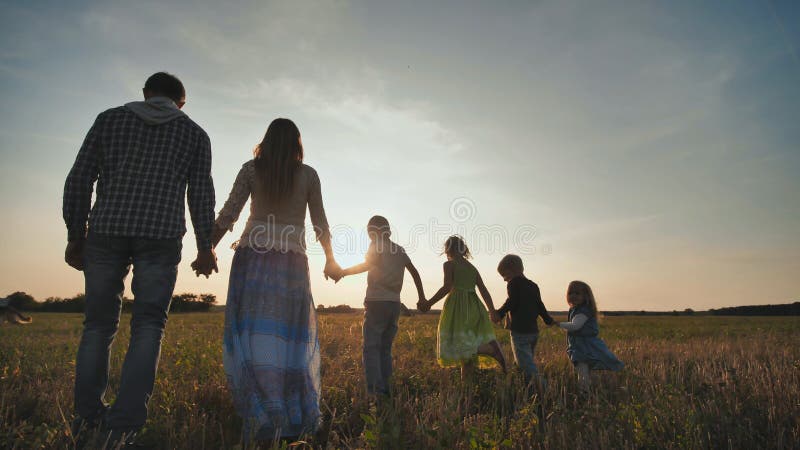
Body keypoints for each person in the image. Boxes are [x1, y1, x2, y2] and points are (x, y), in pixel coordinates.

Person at [63, 72, 217, 445]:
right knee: (149, 325)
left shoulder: (109, 118)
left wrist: (75, 234)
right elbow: (200, 194)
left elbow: (80, 178)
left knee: (98, 325)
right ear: (181, 102)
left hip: (106, 230)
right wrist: (204, 246)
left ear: (146, 94)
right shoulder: (194, 133)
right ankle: (126, 422)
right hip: (160, 236)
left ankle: (86, 417)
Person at [211, 118, 340, 443]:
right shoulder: (308, 174)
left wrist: (206, 247)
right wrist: (330, 258)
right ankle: (287, 411)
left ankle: (262, 411)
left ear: (266, 140)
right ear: (297, 144)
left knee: (254, 336)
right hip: (292, 263)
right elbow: (320, 221)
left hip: (254, 258)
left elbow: (229, 213)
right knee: (289, 339)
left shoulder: (251, 169)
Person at [335, 215, 426, 396]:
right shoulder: (399, 250)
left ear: (372, 233)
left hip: (376, 302)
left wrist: (343, 272)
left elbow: (367, 265)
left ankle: (375, 392)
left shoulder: (376, 246)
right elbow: (415, 272)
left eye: (370, 233)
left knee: (371, 348)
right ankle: (386, 387)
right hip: (394, 304)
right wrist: (422, 297)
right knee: (385, 349)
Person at [418, 236, 506, 380]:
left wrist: (429, 303)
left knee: (459, 344)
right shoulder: (472, 268)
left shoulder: (449, 265)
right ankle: (466, 384)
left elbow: (447, 287)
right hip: (474, 306)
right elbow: (483, 290)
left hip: (458, 307)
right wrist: (492, 310)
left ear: (448, 249)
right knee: (466, 349)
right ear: (464, 249)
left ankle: (489, 349)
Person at [494, 254, 554, 388]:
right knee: (523, 361)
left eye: (505, 274)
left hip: (520, 332)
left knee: (526, 365)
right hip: (533, 332)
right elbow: (540, 305)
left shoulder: (513, 283)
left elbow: (512, 301)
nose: (504, 279)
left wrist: (499, 313)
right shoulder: (533, 285)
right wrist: (548, 320)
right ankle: (520, 386)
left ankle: (544, 388)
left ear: (513, 269)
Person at [557, 280, 624, 392]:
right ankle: (589, 390)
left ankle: (584, 392)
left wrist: (558, 324)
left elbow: (575, 326)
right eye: (570, 293)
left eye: (577, 293)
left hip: (584, 345)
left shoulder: (583, 311)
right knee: (584, 369)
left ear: (586, 296)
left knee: (582, 369)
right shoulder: (575, 309)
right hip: (580, 345)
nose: (573, 296)